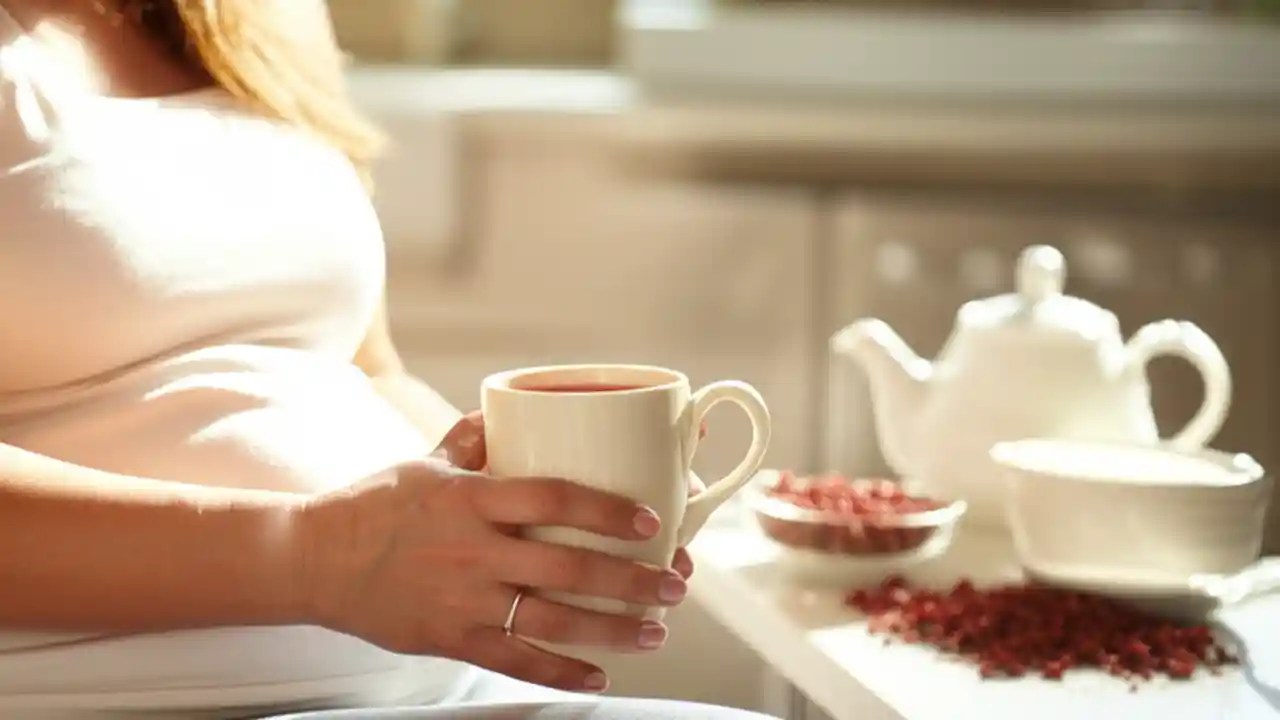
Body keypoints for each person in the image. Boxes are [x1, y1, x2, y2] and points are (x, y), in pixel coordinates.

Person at [0, 1, 776, 718]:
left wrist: (529, 501)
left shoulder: (257, 13)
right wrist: (319, 556)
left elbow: (367, 367)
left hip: (437, 688)